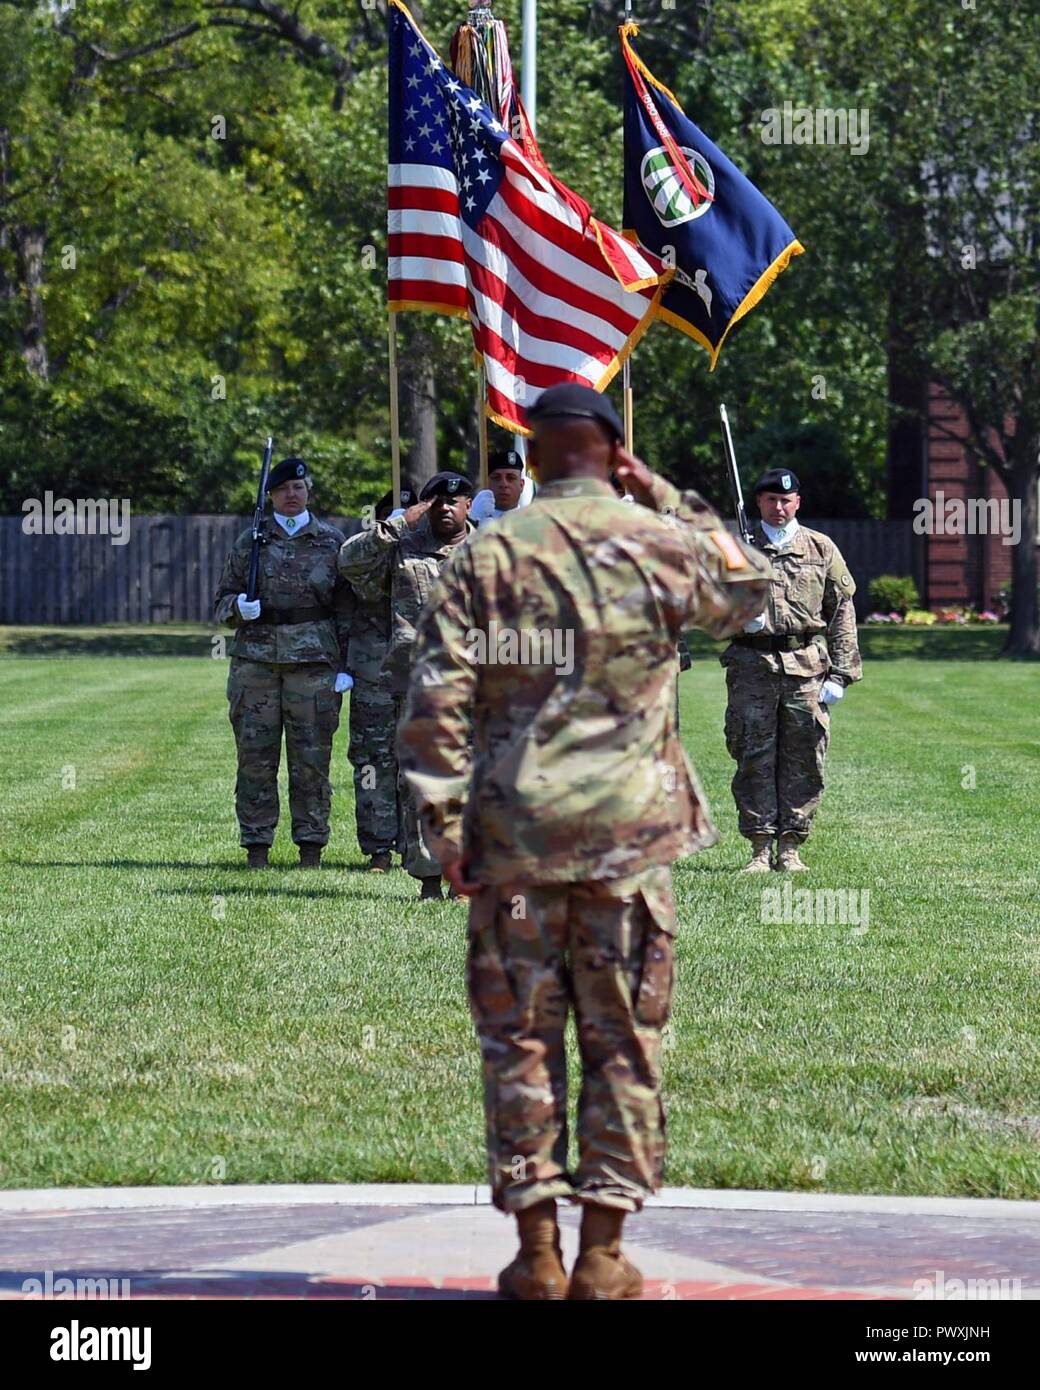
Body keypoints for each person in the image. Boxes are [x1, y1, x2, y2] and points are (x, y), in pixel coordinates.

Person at [397, 384, 770, 1299]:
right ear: (612, 452)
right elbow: (747, 595)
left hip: (513, 845)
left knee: (520, 1046)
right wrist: (668, 495)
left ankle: (535, 1256)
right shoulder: (657, 542)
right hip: (627, 847)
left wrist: (445, 832)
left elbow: (434, 697)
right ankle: (603, 1253)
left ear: (535, 451)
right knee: (624, 1043)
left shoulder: (485, 552)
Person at [338, 471, 475, 899]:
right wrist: (399, 521)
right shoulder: (400, 548)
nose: (446, 508)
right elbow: (349, 562)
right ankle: (428, 878)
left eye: (455, 501)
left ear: (470, 505)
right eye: (436, 502)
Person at [721, 468, 862, 873]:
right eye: (770, 500)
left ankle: (791, 846)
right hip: (752, 668)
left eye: (786, 500)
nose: (778, 507)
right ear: (758, 503)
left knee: (805, 756)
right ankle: (760, 847)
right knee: (752, 754)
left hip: (806, 671)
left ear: (797, 502)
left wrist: (841, 674)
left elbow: (842, 614)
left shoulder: (821, 549)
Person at [214, 457, 352, 869]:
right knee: (255, 759)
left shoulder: (331, 541)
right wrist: (239, 606)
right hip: (255, 664)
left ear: (308, 492)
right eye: (284, 489)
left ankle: (311, 848)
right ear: (270, 495)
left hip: (313, 664)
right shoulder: (251, 541)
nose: (292, 495)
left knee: (311, 760)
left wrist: (346, 665)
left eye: (299, 488)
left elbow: (347, 608)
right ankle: (257, 846)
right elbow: (221, 602)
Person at [343, 488, 411, 873]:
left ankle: (412, 848)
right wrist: (391, 529)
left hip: (416, 674)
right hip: (373, 675)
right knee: (372, 762)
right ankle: (378, 848)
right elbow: (348, 564)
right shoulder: (367, 559)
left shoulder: (425, 555)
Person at [469, 448, 534, 527]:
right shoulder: (471, 522)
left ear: (521, 485)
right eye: (496, 478)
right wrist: (473, 522)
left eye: (511, 478)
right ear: (487, 483)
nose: (504, 484)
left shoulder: (533, 523)